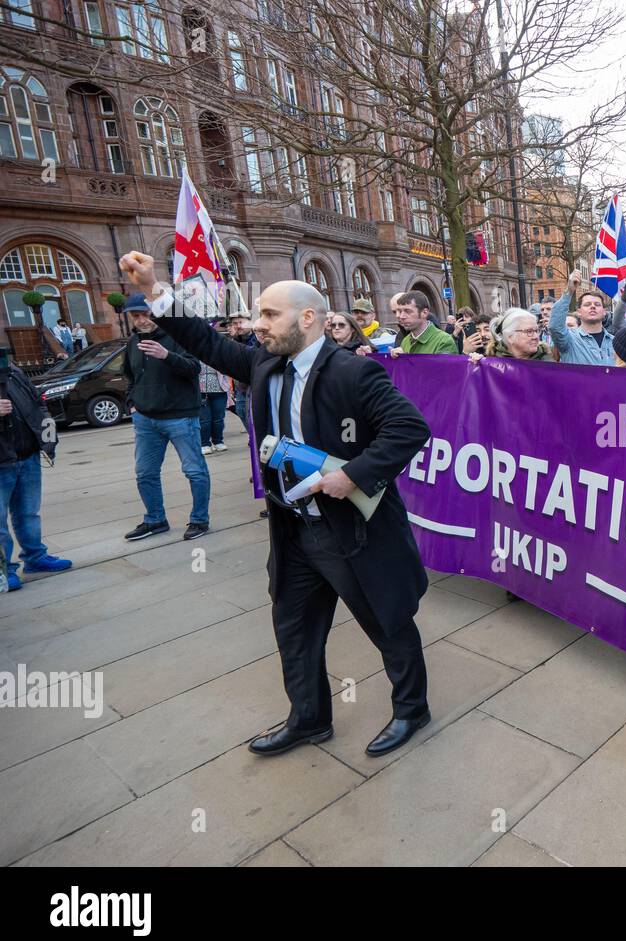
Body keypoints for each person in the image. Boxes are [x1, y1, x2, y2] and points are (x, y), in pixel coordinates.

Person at [118, 250, 436, 758]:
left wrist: (350, 476)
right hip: (292, 531)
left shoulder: (354, 373)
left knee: (385, 621)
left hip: (348, 531)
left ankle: (411, 709)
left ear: (307, 318)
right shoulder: (263, 362)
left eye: (270, 315)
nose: (258, 325)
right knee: (294, 628)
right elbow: (205, 341)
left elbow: (409, 428)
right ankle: (308, 719)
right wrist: (156, 290)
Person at [120, 293, 210, 542]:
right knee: (145, 473)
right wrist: (132, 403)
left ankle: (199, 519)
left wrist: (166, 355)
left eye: (146, 314)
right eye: (135, 316)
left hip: (180, 417)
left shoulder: (179, 336)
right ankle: (155, 520)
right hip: (145, 419)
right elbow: (130, 376)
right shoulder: (133, 342)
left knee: (194, 471)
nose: (141, 320)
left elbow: (194, 368)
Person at [1, 351, 72, 591]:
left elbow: (39, 404)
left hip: (27, 455)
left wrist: (49, 439)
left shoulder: (14, 371)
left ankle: (35, 558)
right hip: (2, 462)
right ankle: (4, 570)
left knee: (28, 513)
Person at [549, 270, 615, 365]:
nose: (593, 306)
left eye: (597, 304)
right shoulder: (569, 340)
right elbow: (555, 327)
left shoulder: (615, 342)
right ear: (579, 312)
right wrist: (569, 291)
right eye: (587, 304)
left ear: (604, 312)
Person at [388, 291, 458, 355]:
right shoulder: (405, 341)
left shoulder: (444, 341)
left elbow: (442, 369)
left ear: (424, 313)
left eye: (407, 311)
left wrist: (407, 361)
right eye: (400, 311)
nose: (401, 316)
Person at [481, 308, 548, 360]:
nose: (536, 337)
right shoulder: (491, 365)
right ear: (510, 337)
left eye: (536, 331)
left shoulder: (548, 363)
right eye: (529, 331)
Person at [197, 355, 229, 455]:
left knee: (219, 419)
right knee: (204, 420)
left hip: (219, 390)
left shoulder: (216, 351)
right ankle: (205, 444)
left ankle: (218, 441)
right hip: (200, 392)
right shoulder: (191, 352)